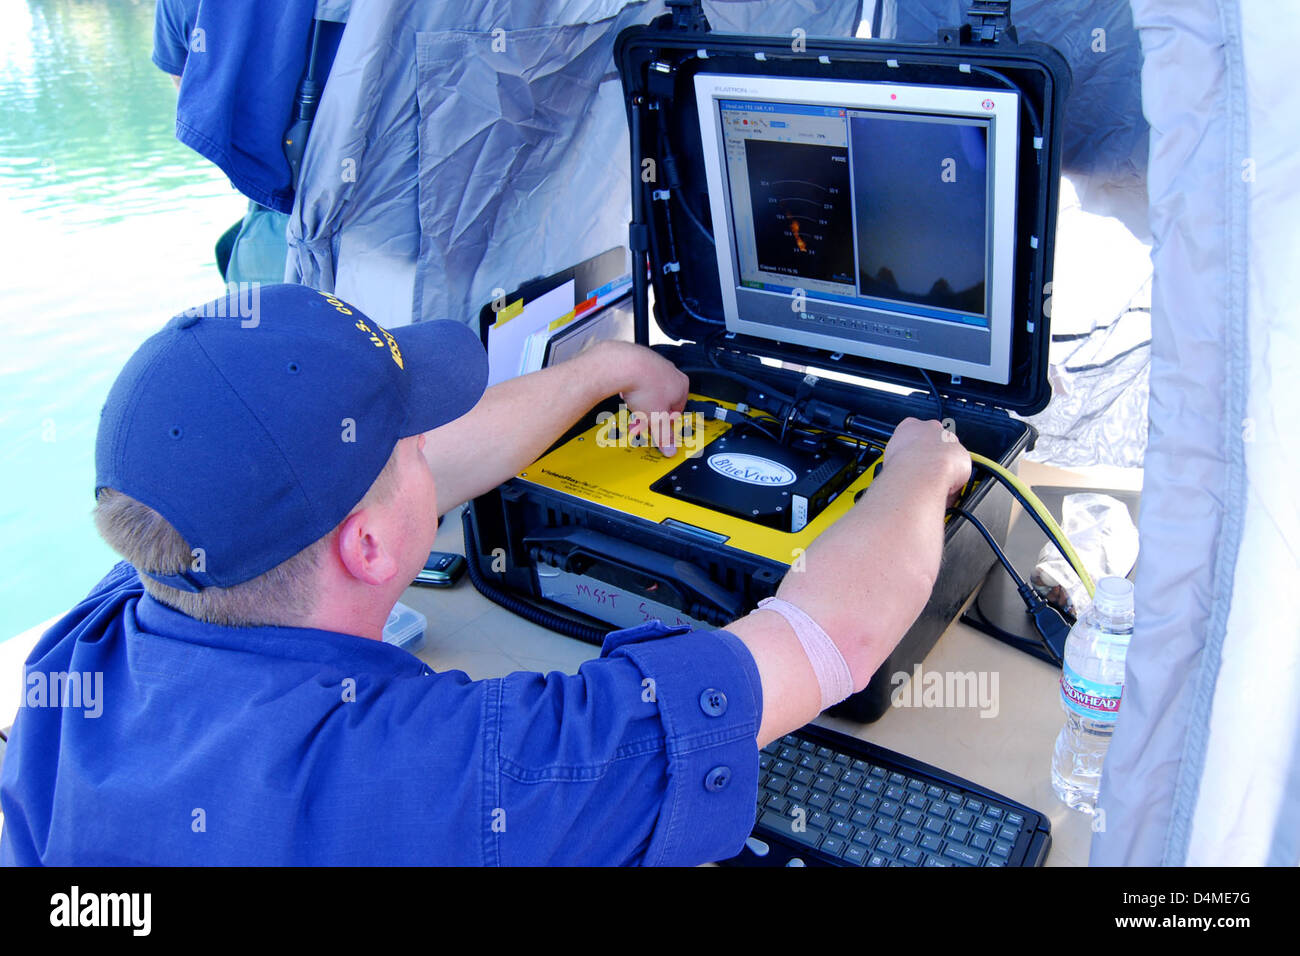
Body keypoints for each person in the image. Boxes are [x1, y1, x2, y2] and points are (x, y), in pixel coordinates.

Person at [0, 284, 970, 865]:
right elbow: (829, 636)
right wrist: (923, 472)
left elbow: (410, 474)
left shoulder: (95, 640)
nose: (429, 443)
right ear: (371, 548)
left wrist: (599, 374)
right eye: (406, 437)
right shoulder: (458, 773)